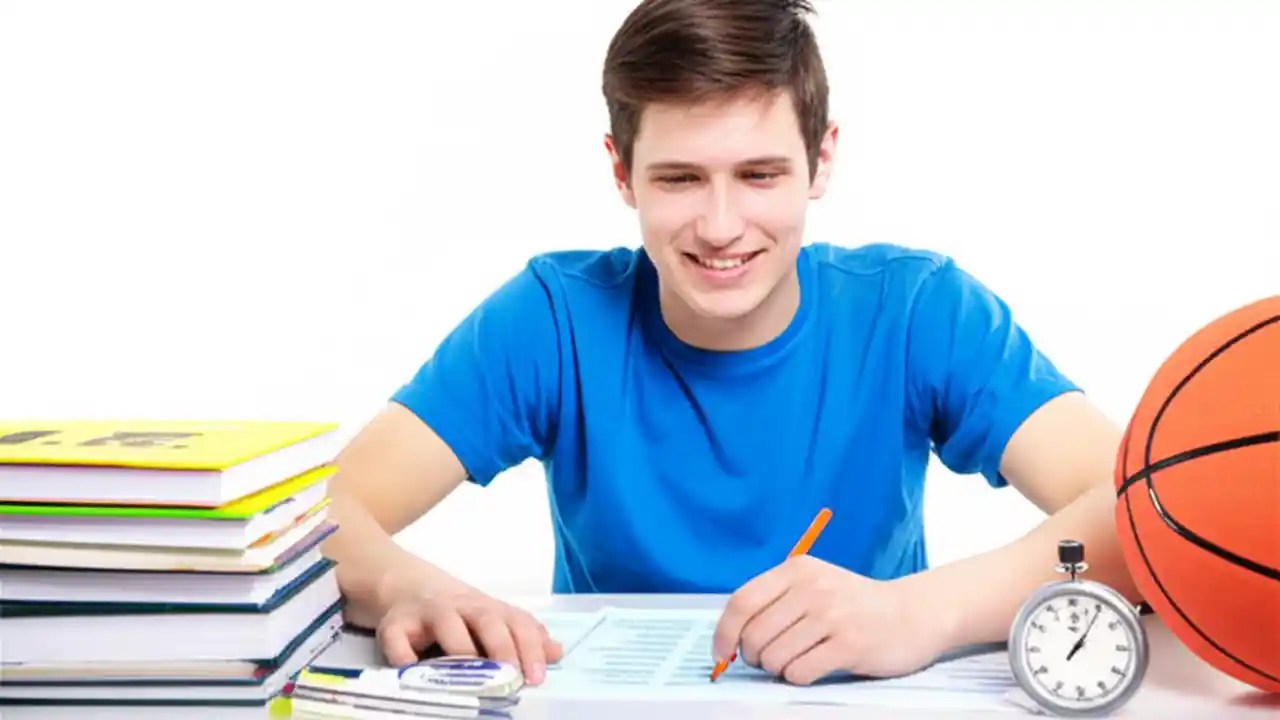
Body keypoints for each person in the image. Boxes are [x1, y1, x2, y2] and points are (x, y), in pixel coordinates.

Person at [324, 0, 1141, 689]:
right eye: (680, 179)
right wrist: (403, 585)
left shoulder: (918, 309)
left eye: (759, 175)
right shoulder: (553, 318)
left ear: (821, 160)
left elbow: (1141, 505)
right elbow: (315, 516)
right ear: (622, 173)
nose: (720, 227)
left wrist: (918, 614)